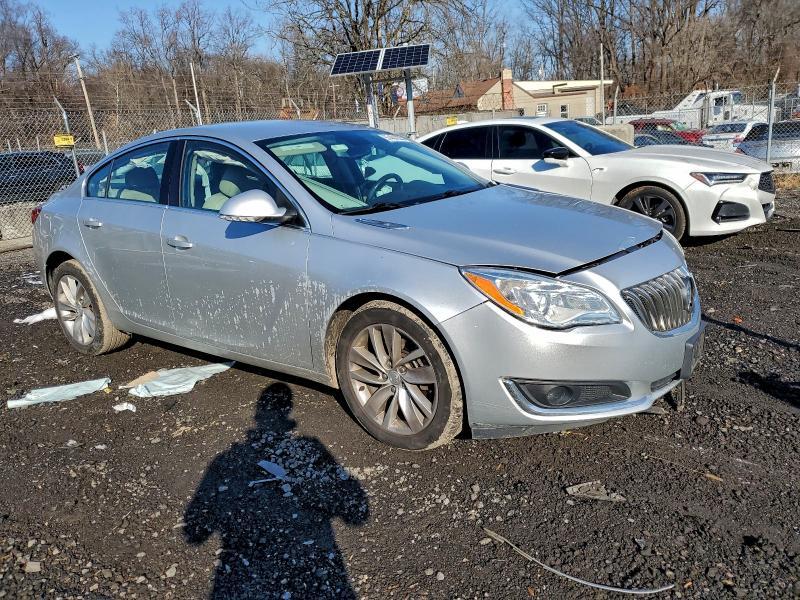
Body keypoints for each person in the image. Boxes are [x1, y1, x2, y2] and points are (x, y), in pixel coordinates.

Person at [184, 382, 369, 598]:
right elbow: (358, 514)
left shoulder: (224, 460)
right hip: (314, 566)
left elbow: (194, 533)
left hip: (251, 575)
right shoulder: (311, 446)